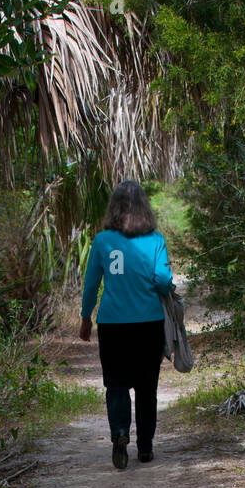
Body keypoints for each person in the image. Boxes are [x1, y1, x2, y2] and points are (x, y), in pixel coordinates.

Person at [79, 180, 173, 469]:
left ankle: (120, 434)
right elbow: (163, 280)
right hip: (148, 323)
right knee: (147, 387)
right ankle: (145, 446)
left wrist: (85, 318)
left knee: (116, 385)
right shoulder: (155, 240)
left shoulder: (102, 241)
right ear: (144, 206)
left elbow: (92, 282)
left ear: (114, 208)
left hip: (113, 325)